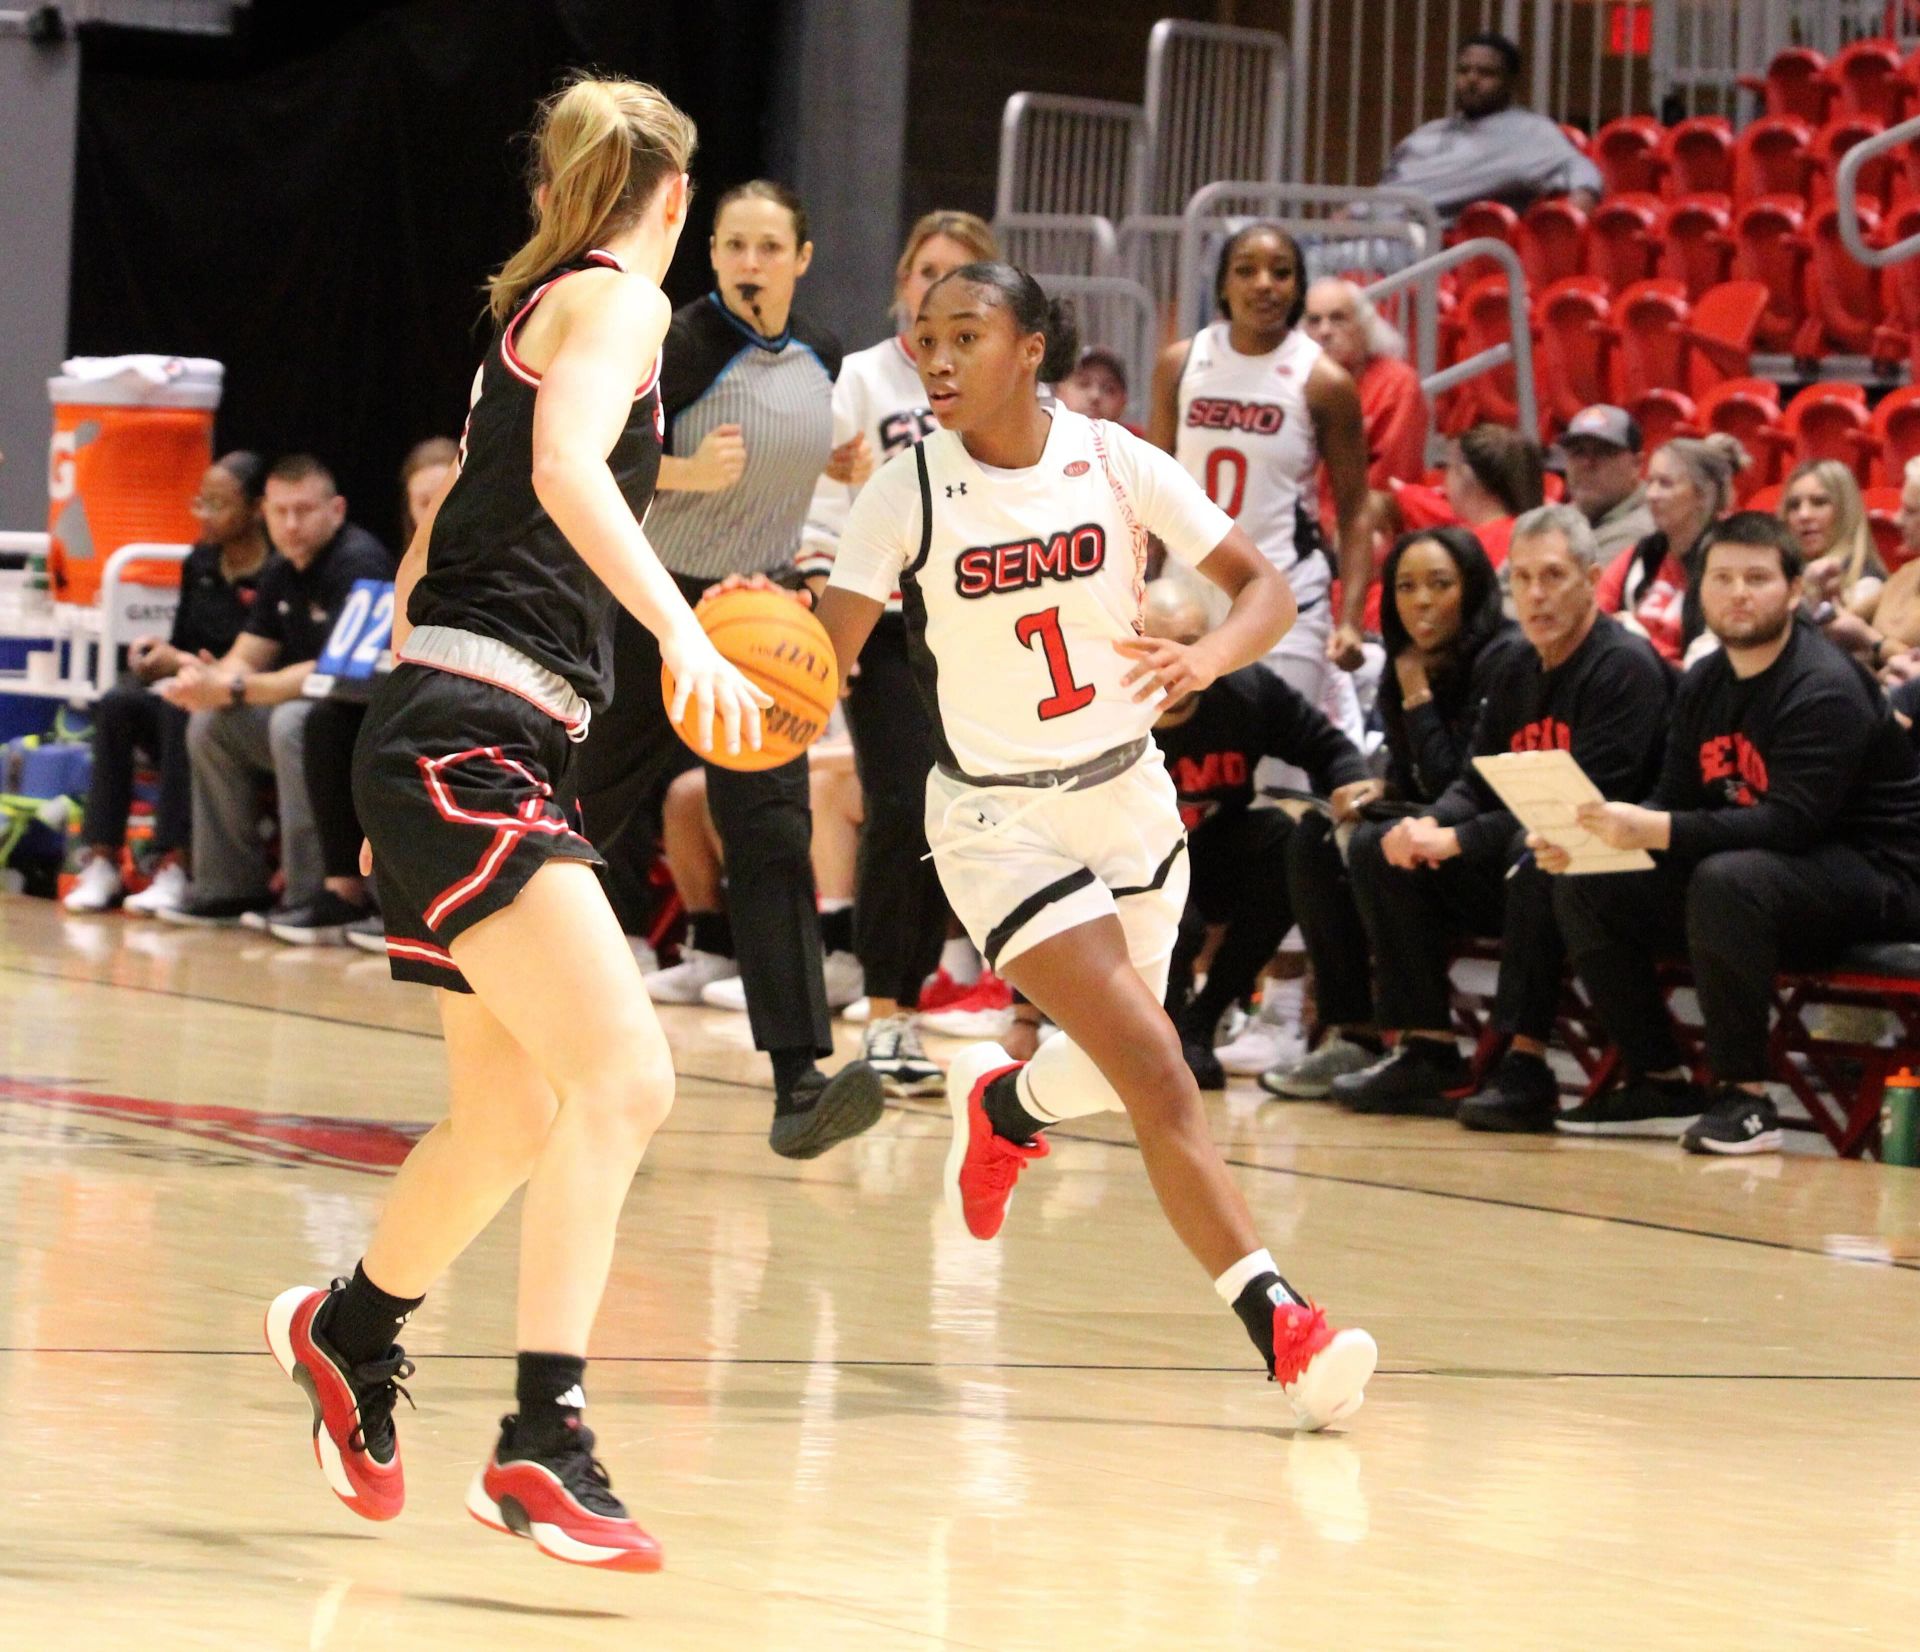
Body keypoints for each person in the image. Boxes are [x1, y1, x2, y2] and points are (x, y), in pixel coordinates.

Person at [265, 76, 770, 1572]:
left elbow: (433, 545)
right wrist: (685, 635)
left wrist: (390, 770)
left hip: (456, 737)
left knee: (513, 1112)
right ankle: (542, 1437)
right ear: (673, 198)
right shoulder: (617, 303)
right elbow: (559, 477)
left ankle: (348, 1331)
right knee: (625, 1078)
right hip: (471, 741)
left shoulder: (536, 313)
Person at [814, 259, 1378, 1428]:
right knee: (1161, 1072)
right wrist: (737, 655)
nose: (940, 356)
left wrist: (1207, 656)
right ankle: (1284, 1325)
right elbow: (821, 652)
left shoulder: (1121, 462)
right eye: (926, 338)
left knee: (1122, 1063)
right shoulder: (905, 491)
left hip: (1129, 795)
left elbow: (1262, 586)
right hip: (997, 819)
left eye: (968, 333)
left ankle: (1009, 1112)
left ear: (1031, 348)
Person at [571, 178, 883, 1138]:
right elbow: (581, 450)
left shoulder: (823, 351)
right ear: (710, 256)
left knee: (773, 840)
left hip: (756, 622)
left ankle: (799, 1083)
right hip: (651, 610)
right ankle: (509, 1016)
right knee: (578, 818)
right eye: (733, 246)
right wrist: (680, 471)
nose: (751, 262)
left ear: (803, 257)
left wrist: (826, 460)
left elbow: (785, 435)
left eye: (769, 246)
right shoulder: (682, 343)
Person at [1543, 512, 1920, 1152]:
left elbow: (1791, 823)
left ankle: (1746, 1098)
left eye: (1757, 578)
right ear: (1700, 592)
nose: (1738, 593)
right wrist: (1599, 837)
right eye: (1722, 579)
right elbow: (1674, 800)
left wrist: (1655, 829)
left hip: (1877, 878)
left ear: (1795, 592)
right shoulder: (1705, 683)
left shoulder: (1823, 685)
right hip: (1774, 876)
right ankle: (1660, 1080)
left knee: (1729, 879)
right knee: (1590, 879)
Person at [1330, 505, 1672, 1129]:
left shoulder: (1623, 667)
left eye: (1554, 577)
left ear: (1592, 577)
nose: (1536, 595)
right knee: (1381, 846)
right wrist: (1433, 826)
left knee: (1539, 845)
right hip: (1524, 859)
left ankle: (1525, 1061)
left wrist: (1459, 837)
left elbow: (1588, 811)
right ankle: (1428, 1044)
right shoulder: (1517, 667)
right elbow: (1477, 779)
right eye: (1522, 579)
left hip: (1616, 869)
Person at [797, 208, 1000, 1096]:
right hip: (880, 627)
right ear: (900, 285)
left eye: (959, 275)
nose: (935, 287)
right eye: (924, 271)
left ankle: (989, 1003)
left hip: (983, 628)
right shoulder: (858, 381)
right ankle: (886, 1015)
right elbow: (818, 513)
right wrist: (822, 620)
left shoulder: (1003, 392)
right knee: (903, 804)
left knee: (962, 815)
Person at [1264, 527, 1523, 1099]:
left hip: (1491, 855)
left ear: (1473, 588)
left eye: (1440, 584)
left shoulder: (1505, 660)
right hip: (1428, 845)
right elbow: (1413, 778)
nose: (1422, 601)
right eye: (1406, 587)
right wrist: (1372, 789)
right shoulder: (1411, 660)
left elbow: (1460, 782)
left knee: (1374, 845)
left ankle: (1430, 1048)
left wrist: (1415, 691)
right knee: (1313, 832)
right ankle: (1353, 1032)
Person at [1149, 223, 1374, 752]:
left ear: (1298, 287)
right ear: (1223, 285)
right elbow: (1149, 487)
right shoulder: (1180, 365)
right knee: (1181, 772)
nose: (1264, 283)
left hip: (1285, 593)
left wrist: (1352, 619)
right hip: (1188, 598)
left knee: (1281, 775)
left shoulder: (1324, 381)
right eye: (1246, 270)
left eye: (1281, 272)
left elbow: (1356, 510)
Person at [1144, 579, 1371, 1089]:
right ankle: (1163, 1029)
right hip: (1128, 868)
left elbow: (1328, 747)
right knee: (1177, 908)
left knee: (1295, 838)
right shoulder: (1105, 712)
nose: (1179, 659)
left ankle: (1204, 1019)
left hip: (1211, 852)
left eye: (1193, 640)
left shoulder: (1245, 691)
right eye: (1161, 643)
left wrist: (1352, 784)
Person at [155, 454, 392, 928]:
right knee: (210, 724)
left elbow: (330, 673)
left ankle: (315, 892)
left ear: (337, 510)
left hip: (357, 720)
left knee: (292, 724)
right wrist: (206, 683)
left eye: (303, 511)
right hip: (308, 713)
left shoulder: (359, 562)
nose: (290, 524)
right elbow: (247, 654)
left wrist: (237, 687)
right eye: (280, 511)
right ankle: (228, 885)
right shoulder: (283, 570)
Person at [64, 452, 275, 916]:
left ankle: (173, 866)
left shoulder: (276, 571)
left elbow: (263, 661)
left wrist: (187, 668)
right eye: (201, 502)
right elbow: (183, 644)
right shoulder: (199, 561)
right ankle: (101, 861)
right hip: (187, 688)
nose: (205, 515)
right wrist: (155, 659)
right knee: (119, 701)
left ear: (256, 507)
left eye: (219, 504)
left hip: (240, 703)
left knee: (182, 706)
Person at [275, 437, 460, 947]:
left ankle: (420, 905)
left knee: (404, 738)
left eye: (445, 495)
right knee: (328, 724)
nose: (435, 511)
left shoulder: (495, 560)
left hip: (480, 707)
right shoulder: (407, 566)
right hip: (411, 695)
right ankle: (342, 890)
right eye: (423, 502)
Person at [1376, 32, 1601, 227]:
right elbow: (1385, 188)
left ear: (1511, 83)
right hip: (1365, 226)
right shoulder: (1427, 134)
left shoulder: (1530, 133)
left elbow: (1582, 171)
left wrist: (1576, 212)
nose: (1471, 79)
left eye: (1486, 73)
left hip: (1420, 243)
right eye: (1464, 70)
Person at [1595, 433, 1746, 665]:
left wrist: (1638, 645)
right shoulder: (1644, 553)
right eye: (1650, 482)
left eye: (1665, 484)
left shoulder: (1727, 565)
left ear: (1702, 495)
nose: (1652, 495)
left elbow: (1708, 672)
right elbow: (1594, 617)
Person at [1302, 277, 1429, 490]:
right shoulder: (1293, 382)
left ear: (1365, 326)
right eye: (1314, 321)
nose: (1324, 331)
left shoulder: (1397, 384)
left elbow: (1390, 479)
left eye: (1338, 318)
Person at [1783, 458, 1885, 623]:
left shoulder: (1868, 585)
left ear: (1846, 511)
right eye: (1794, 506)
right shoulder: (1785, 577)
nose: (1803, 515)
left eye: (1819, 502)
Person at [1560, 404, 1654, 564]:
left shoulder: (1643, 531)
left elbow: (1576, 588)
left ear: (1636, 465)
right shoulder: (1558, 516)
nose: (1587, 463)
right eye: (1578, 452)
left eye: (1603, 452)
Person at [1056, 345, 1134, 428]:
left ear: (1123, 402)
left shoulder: (1136, 440)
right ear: (1060, 390)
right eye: (1083, 384)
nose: (1095, 395)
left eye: (1109, 389)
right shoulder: (1043, 436)